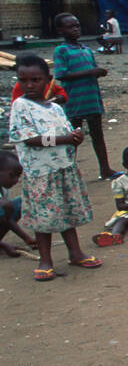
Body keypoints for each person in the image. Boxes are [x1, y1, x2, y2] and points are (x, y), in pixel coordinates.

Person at [7, 54, 102, 279]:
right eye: (24, 80)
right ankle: (45, 259)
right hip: (41, 173)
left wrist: (76, 136)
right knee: (43, 218)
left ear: (48, 80)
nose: (29, 85)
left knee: (66, 212)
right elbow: (31, 139)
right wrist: (65, 139)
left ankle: (75, 252)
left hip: (63, 169)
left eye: (36, 80)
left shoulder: (55, 108)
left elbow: (67, 130)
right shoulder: (21, 106)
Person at [52, 12, 119, 180]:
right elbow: (61, 75)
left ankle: (105, 169)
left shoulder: (86, 49)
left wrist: (98, 72)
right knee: (72, 137)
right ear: (60, 30)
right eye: (70, 27)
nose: (75, 29)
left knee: (98, 134)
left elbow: (91, 70)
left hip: (92, 99)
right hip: (74, 100)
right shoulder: (61, 51)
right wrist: (91, 72)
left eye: (77, 26)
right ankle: (68, 171)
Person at [0, 151, 38, 257]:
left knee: (21, 203)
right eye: (11, 176)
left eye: (18, 176)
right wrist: (4, 245)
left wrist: (26, 238)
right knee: (5, 207)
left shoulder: (3, 189)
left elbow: (6, 219)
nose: (16, 180)